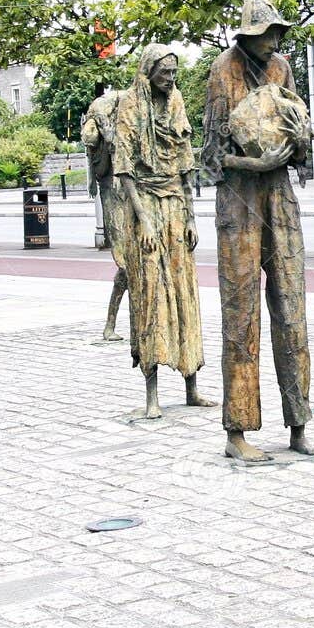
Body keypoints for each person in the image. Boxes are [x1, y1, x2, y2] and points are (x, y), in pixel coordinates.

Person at [202, 0, 314, 463]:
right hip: (238, 198)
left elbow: (297, 126)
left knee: (291, 306)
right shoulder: (221, 71)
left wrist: (296, 147)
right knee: (242, 310)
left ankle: (299, 423)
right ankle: (237, 431)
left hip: (280, 197)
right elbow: (211, 159)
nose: (275, 41)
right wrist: (251, 161)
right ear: (247, 36)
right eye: (267, 33)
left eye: (278, 33)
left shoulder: (283, 69)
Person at [112, 44, 216, 419]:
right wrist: (144, 220)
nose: (171, 78)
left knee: (185, 293)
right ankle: (151, 394)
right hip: (146, 210)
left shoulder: (176, 103)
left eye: (174, 72)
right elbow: (124, 171)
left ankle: (192, 384)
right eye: (165, 72)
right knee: (151, 296)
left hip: (175, 208)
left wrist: (190, 216)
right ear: (149, 72)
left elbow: (186, 163)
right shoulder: (130, 106)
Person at [81, 90, 127, 341]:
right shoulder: (100, 119)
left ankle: (115, 325)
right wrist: (91, 180)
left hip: (130, 196)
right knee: (125, 267)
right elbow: (94, 157)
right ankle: (110, 325)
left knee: (129, 269)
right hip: (114, 196)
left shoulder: (122, 110)